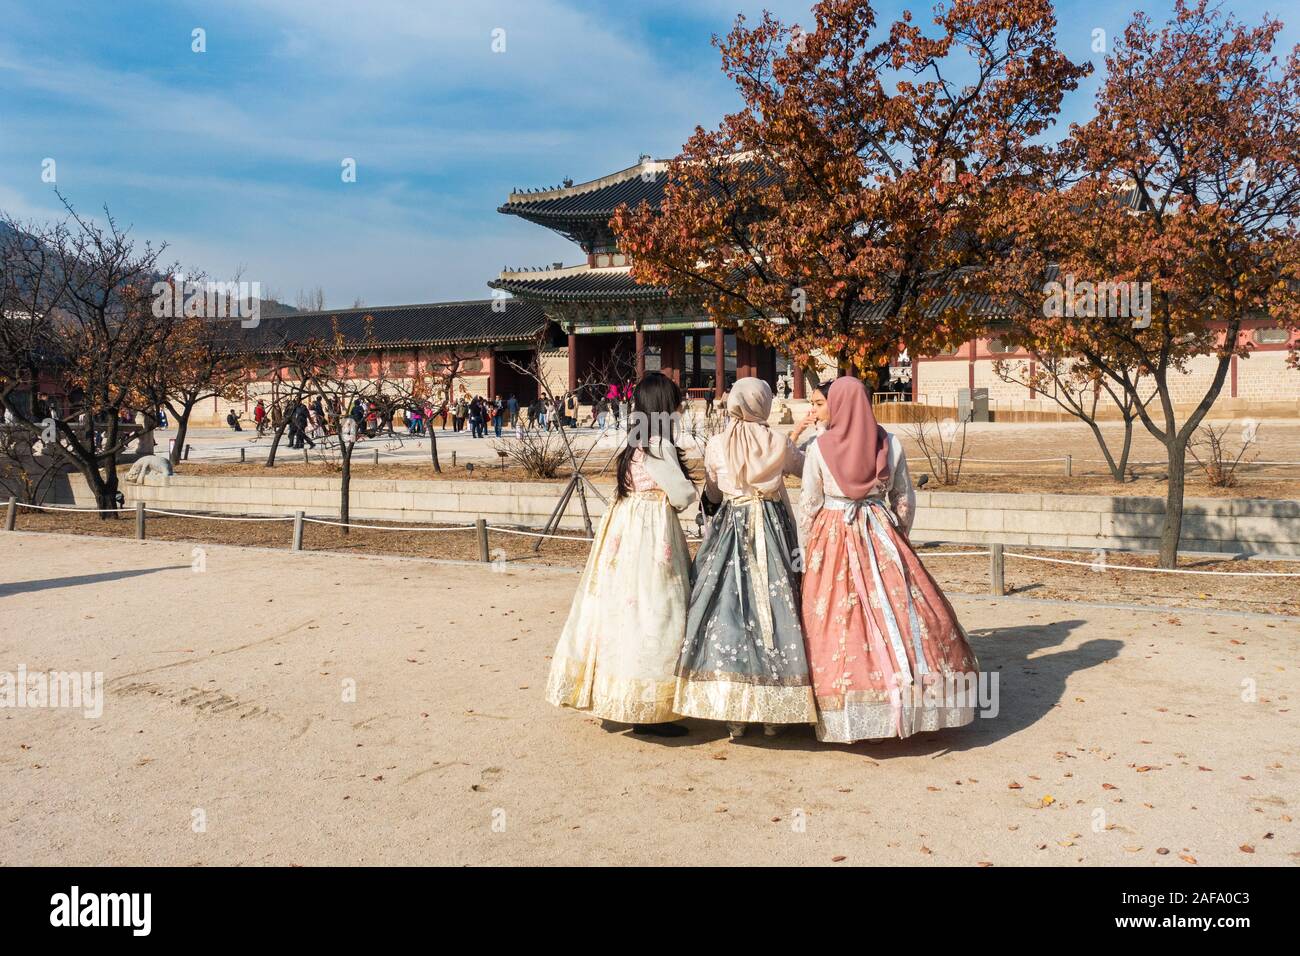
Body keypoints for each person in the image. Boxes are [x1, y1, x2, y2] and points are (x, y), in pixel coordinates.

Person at [797, 376, 979, 743]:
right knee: (902, 611)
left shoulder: (820, 448)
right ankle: (913, 699)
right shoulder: (890, 443)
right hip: (882, 533)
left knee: (838, 618)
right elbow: (905, 500)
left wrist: (808, 550)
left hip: (835, 536)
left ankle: (849, 711)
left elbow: (809, 505)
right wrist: (898, 537)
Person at [546, 372, 696, 737]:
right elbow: (681, 494)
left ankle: (624, 695)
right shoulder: (659, 444)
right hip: (652, 532)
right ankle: (650, 706)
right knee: (656, 610)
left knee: (626, 612)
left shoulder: (635, 443)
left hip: (626, 531)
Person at [674, 378, 816, 739]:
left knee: (727, 607)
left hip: (731, 528)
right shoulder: (777, 442)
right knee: (776, 606)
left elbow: (713, 490)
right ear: (763, 404)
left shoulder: (719, 445)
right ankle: (774, 710)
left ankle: (733, 708)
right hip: (772, 527)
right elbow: (806, 470)